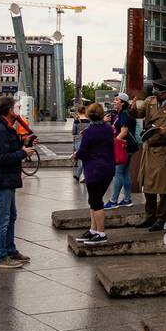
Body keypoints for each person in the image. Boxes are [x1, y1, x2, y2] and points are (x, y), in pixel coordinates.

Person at [0, 95, 35, 267]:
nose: (19, 110)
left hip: (7, 179)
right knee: (2, 219)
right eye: (17, 107)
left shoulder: (5, 126)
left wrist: (24, 142)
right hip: (0, 179)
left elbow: (8, 146)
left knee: (11, 216)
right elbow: (2, 158)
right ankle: (0, 257)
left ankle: (10, 250)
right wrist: (24, 153)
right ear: (10, 110)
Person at [131, 80, 166, 231]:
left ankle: (162, 218)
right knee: (148, 186)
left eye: (159, 93)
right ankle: (149, 216)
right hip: (149, 151)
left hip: (164, 151)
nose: (156, 95)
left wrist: (162, 130)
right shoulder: (150, 102)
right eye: (155, 92)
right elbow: (138, 113)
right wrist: (132, 108)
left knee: (164, 188)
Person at [73, 102, 116, 244]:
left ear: (89, 116)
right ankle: (93, 230)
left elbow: (83, 153)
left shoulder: (89, 132)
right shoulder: (108, 129)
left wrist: (75, 154)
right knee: (93, 200)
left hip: (94, 170)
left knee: (96, 202)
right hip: (108, 169)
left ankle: (101, 233)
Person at [105, 93, 135, 208]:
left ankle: (113, 201)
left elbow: (124, 131)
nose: (114, 101)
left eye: (117, 100)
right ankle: (127, 199)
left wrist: (115, 142)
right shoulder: (122, 114)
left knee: (118, 173)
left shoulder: (124, 115)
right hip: (129, 147)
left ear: (122, 103)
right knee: (125, 173)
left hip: (124, 147)